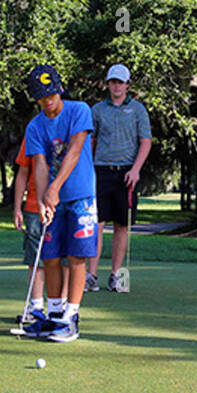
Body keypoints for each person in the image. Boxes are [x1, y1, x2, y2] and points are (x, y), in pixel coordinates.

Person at [21, 65, 97, 343]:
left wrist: (54, 188)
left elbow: (75, 151)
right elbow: (39, 164)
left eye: (52, 93)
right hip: (53, 200)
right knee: (50, 256)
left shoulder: (80, 111)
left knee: (76, 256)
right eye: (42, 96)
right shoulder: (35, 126)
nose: (48, 99)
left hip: (80, 196)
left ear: (59, 89)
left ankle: (71, 318)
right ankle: (54, 315)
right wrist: (42, 200)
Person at [88, 64, 152, 292]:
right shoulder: (97, 110)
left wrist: (136, 169)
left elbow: (145, 141)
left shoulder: (137, 110)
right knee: (96, 224)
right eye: (113, 81)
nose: (116, 86)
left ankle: (115, 275)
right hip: (101, 170)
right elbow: (91, 141)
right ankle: (91, 275)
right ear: (108, 83)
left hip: (127, 173)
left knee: (121, 226)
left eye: (120, 82)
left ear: (127, 85)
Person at [13, 131, 49, 326]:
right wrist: (17, 207)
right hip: (35, 205)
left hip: (64, 204)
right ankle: (35, 306)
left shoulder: (72, 132)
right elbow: (23, 173)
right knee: (35, 259)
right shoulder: (34, 133)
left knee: (63, 260)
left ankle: (57, 308)